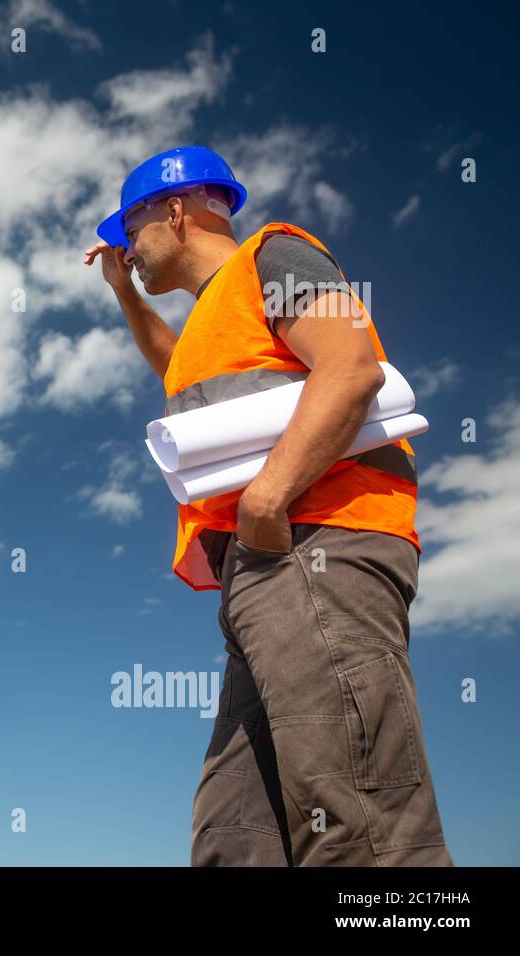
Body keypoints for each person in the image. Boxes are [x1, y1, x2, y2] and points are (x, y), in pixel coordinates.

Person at [85, 145, 452, 866]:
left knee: (360, 818)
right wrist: (122, 289)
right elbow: (175, 366)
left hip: (317, 543)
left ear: (176, 212)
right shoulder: (211, 326)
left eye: (132, 236)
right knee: (237, 836)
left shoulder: (271, 257)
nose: (130, 252)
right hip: (259, 574)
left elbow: (350, 369)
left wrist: (266, 500)